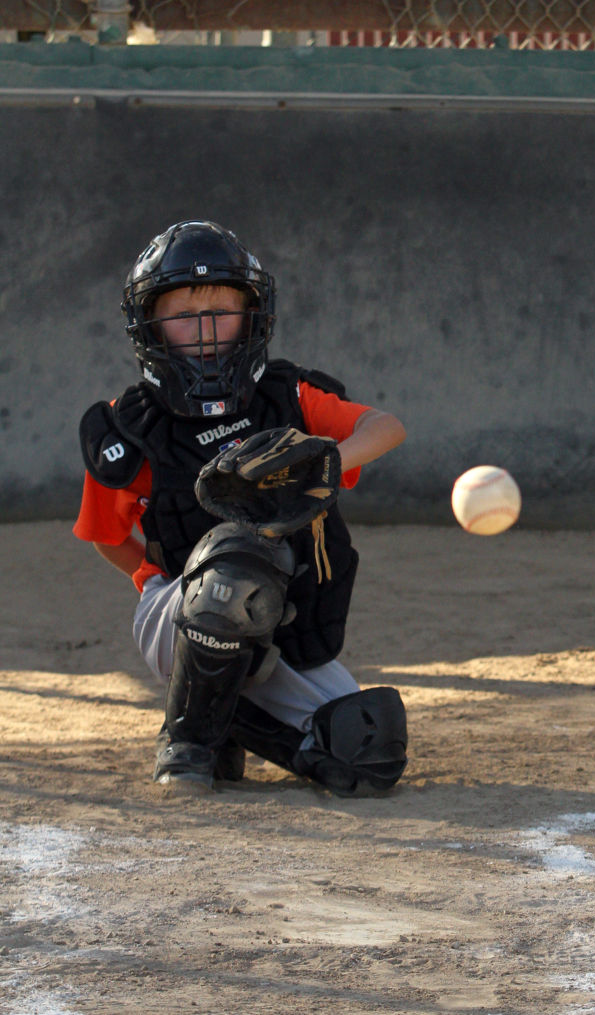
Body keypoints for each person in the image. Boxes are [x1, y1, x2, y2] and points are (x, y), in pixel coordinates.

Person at [74, 219, 409, 797]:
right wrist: (176, 597)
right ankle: (188, 742)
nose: (204, 334)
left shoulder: (288, 396)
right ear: (149, 327)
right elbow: (107, 536)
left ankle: (218, 712)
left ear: (253, 318)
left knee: (365, 754)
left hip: (280, 627)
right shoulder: (128, 423)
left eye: (221, 314)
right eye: (183, 317)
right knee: (235, 557)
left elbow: (386, 428)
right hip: (177, 610)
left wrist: (325, 459)